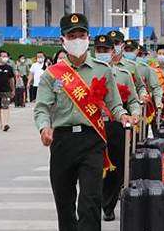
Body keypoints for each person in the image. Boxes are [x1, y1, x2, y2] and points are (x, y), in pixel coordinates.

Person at [34, 13, 135, 231]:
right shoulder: (52, 74)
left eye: (81, 34)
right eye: (72, 35)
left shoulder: (102, 69)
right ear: (63, 40)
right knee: (64, 202)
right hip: (62, 142)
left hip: (92, 140)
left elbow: (115, 104)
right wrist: (44, 128)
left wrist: (123, 115)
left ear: (88, 37)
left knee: (90, 201)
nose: (77, 40)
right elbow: (41, 107)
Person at [93, 35, 141, 222]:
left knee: (116, 167)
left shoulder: (124, 73)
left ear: (113, 52)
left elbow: (133, 100)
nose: (103, 53)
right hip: (93, 127)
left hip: (115, 126)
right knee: (93, 168)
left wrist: (135, 113)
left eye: (106, 50)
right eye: (99, 50)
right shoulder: (83, 74)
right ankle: (95, 202)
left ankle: (109, 204)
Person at [107, 31, 148, 102]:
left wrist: (142, 95)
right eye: (111, 43)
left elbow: (140, 86)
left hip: (128, 106)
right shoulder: (101, 65)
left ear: (122, 46)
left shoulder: (132, 66)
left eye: (116, 43)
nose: (113, 46)